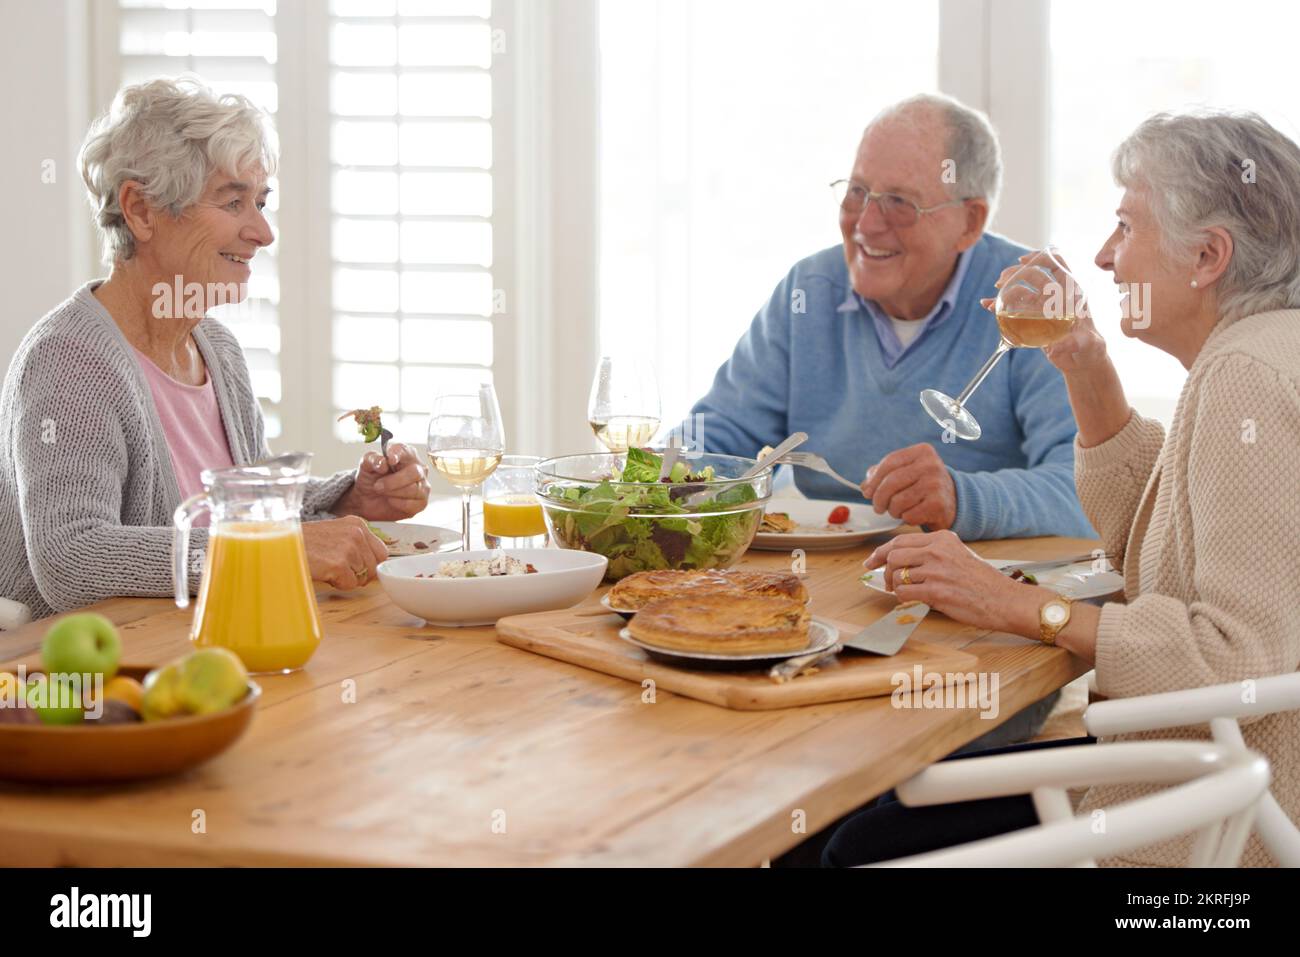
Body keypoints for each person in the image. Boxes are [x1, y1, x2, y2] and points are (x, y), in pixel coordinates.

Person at [827, 109, 1300, 867]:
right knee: (875, 819)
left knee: (862, 842)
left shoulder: (1243, 377)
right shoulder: (1264, 352)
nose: (1105, 257)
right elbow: (1155, 532)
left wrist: (1013, 604)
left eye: (1126, 226)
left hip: (1203, 834)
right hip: (1197, 778)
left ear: (1208, 255)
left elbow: (1235, 658)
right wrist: (1084, 361)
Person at [0, 77, 430, 621]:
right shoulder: (68, 361)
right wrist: (277, 550)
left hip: (221, 638)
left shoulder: (216, 349)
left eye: (261, 202)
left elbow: (244, 517)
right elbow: (72, 559)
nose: (263, 232)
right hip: (106, 663)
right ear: (141, 210)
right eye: (233, 202)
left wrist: (349, 500)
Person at [679, 93, 1092, 541]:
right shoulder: (809, 290)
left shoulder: (1029, 306)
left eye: (899, 202)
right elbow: (724, 436)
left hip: (976, 575)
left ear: (970, 222)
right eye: (858, 192)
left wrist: (961, 498)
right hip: (827, 570)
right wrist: (656, 470)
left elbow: (1086, 492)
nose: (866, 225)